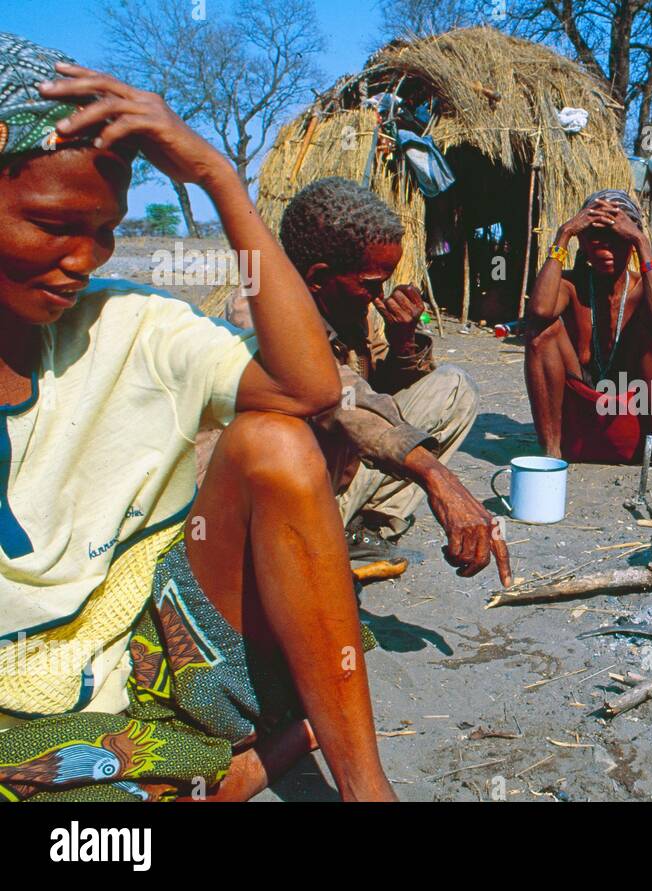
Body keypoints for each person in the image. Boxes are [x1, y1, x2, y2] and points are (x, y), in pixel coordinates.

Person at [0, 35, 394, 801]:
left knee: (276, 444)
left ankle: (366, 789)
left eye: (105, 230)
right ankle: (228, 771)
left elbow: (308, 388)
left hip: (134, 651)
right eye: (52, 226)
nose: (84, 259)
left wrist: (217, 177)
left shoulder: (127, 329)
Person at [210, 177, 511, 583]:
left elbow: (381, 388)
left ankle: (363, 528)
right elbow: (337, 399)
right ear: (318, 277)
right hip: (278, 500)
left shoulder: (351, 309)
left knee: (452, 387)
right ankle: (308, 544)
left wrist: (403, 342)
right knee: (326, 424)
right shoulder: (257, 310)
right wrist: (437, 476)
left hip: (335, 478)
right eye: (370, 284)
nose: (378, 295)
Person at [524, 190, 652, 474]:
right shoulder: (571, 286)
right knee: (541, 333)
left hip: (631, 407)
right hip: (583, 404)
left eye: (616, 240)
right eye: (595, 239)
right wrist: (564, 234)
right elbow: (538, 310)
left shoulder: (645, 287)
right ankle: (551, 452)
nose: (604, 250)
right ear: (582, 244)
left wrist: (641, 240)